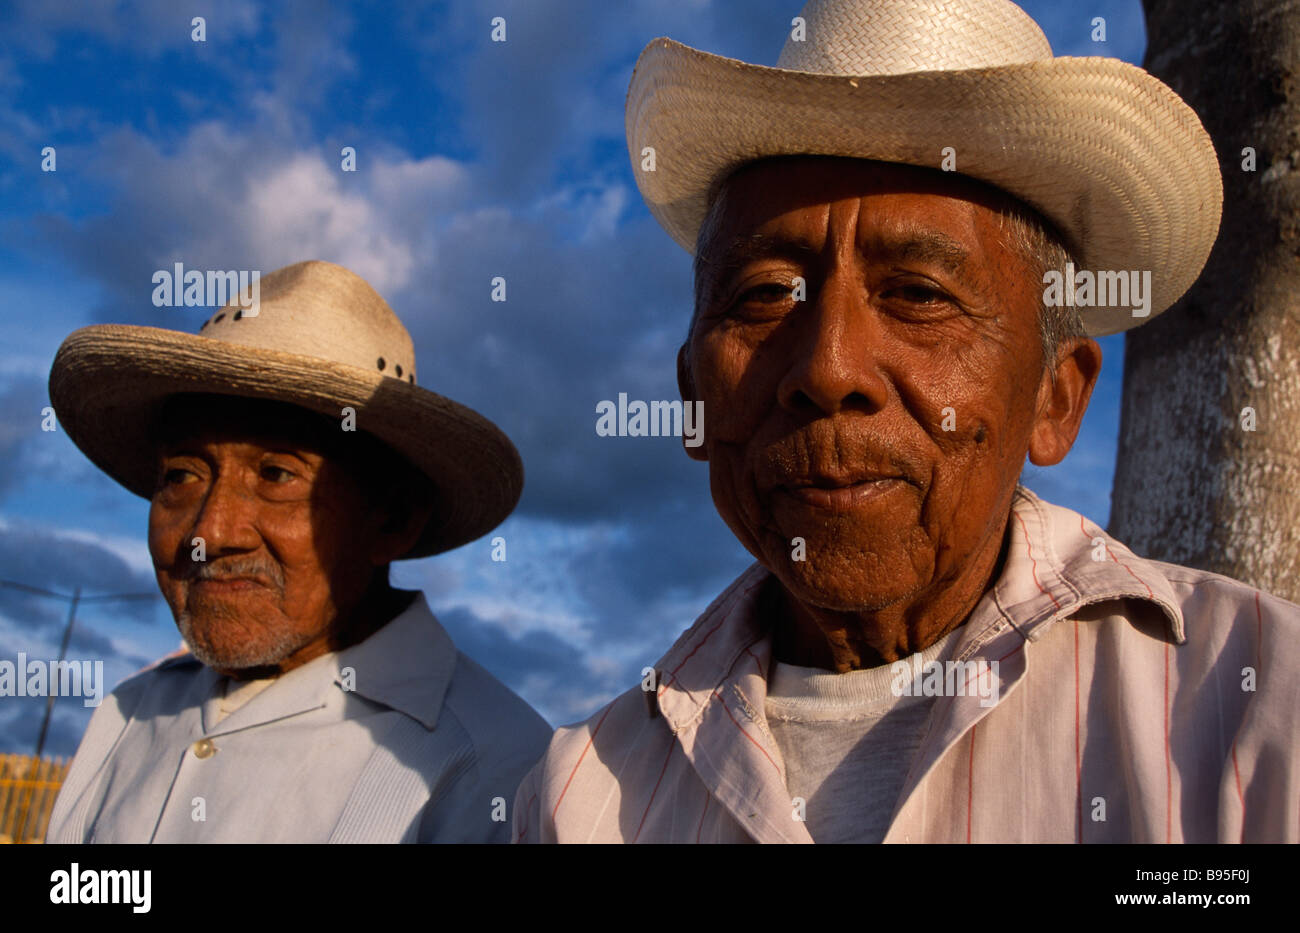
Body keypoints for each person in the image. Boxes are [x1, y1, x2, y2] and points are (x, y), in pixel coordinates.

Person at [513, 0, 1298, 843]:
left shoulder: (1256, 702)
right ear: (693, 397)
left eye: (919, 294)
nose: (826, 369)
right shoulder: (576, 796)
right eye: (765, 295)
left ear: (1055, 397)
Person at [45, 259, 551, 842]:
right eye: (182, 475)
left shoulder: (497, 772)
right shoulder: (129, 714)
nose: (212, 532)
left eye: (277, 474)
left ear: (391, 520)